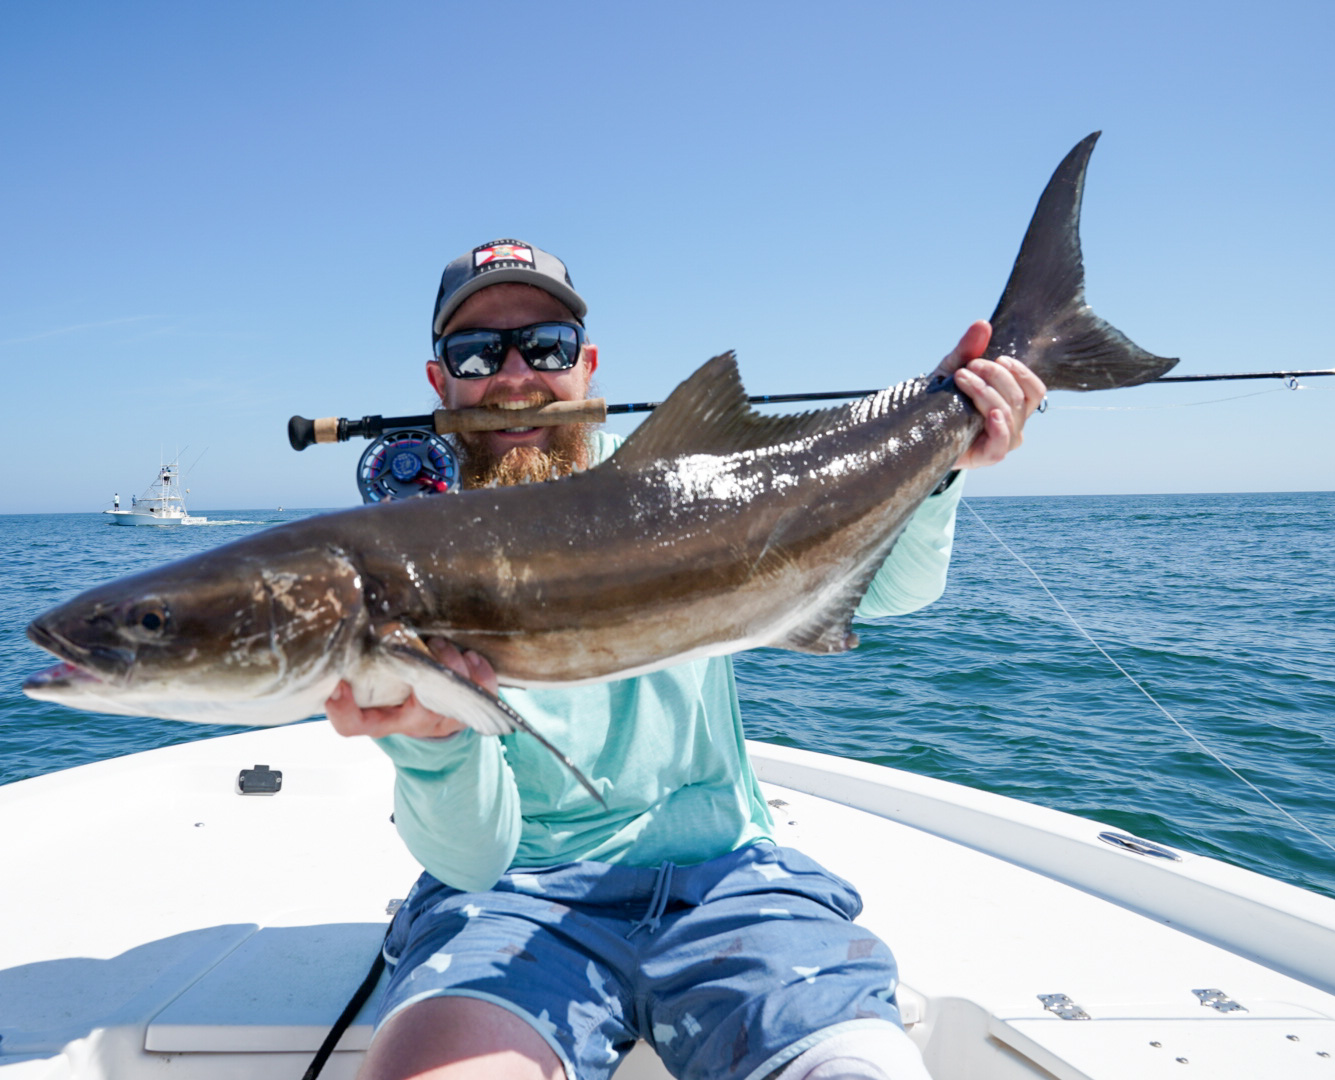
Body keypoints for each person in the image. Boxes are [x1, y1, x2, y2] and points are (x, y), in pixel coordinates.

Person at [327, 239, 1045, 1080]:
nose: (515, 376)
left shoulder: (694, 481)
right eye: (478, 352)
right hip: (511, 903)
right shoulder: (404, 564)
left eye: (547, 348)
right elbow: (474, 861)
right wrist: (436, 742)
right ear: (439, 381)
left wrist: (942, 465)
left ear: (587, 366)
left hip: (729, 879)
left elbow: (894, 590)